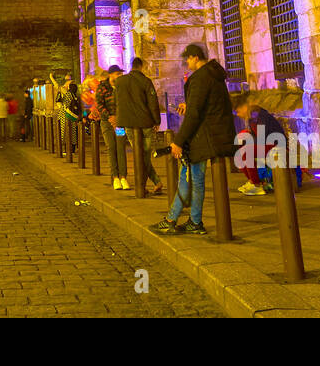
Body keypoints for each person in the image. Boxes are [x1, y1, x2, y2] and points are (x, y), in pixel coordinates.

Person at [151, 45, 237, 236]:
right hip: (217, 133)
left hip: (203, 135)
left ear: (195, 57)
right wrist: (188, 105)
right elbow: (206, 104)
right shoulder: (214, 75)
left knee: (186, 176)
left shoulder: (199, 77)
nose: (187, 64)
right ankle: (195, 221)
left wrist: (179, 141)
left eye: (188, 60)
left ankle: (171, 219)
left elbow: (196, 114)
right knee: (195, 179)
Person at [113, 59, 163, 195]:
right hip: (145, 123)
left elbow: (117, 102)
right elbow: (153, 103)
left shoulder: (120, 82)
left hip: (127, 124)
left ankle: (150, 184)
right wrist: (157, 121)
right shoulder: (146, 82)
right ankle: (148, 184)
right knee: (144, 156)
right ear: (141, 67)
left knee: (140, 155)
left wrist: (118, 120)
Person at [234, 100, 303, 195]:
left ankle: (256, 184)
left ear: (244, 107)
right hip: (268, 144)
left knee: (247, 151)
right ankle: (252, 181)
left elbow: (263, 137)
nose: (237, 114)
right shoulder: (252, 118)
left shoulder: (259, 116)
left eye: (238, 111)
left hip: (277, 146)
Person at [94, 68, 129, 190]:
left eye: (121, 74)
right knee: (111, 147)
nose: (120, 76)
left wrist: (118, 118)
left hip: (119, 123)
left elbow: (125, 103)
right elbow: (99, 103)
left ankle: (123, 177)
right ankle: (115, 177)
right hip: (107, 123)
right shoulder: (102, 87)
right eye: (117, 74)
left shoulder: (122, 87)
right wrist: (110, 117)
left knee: (120, 147)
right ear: (111, 75)